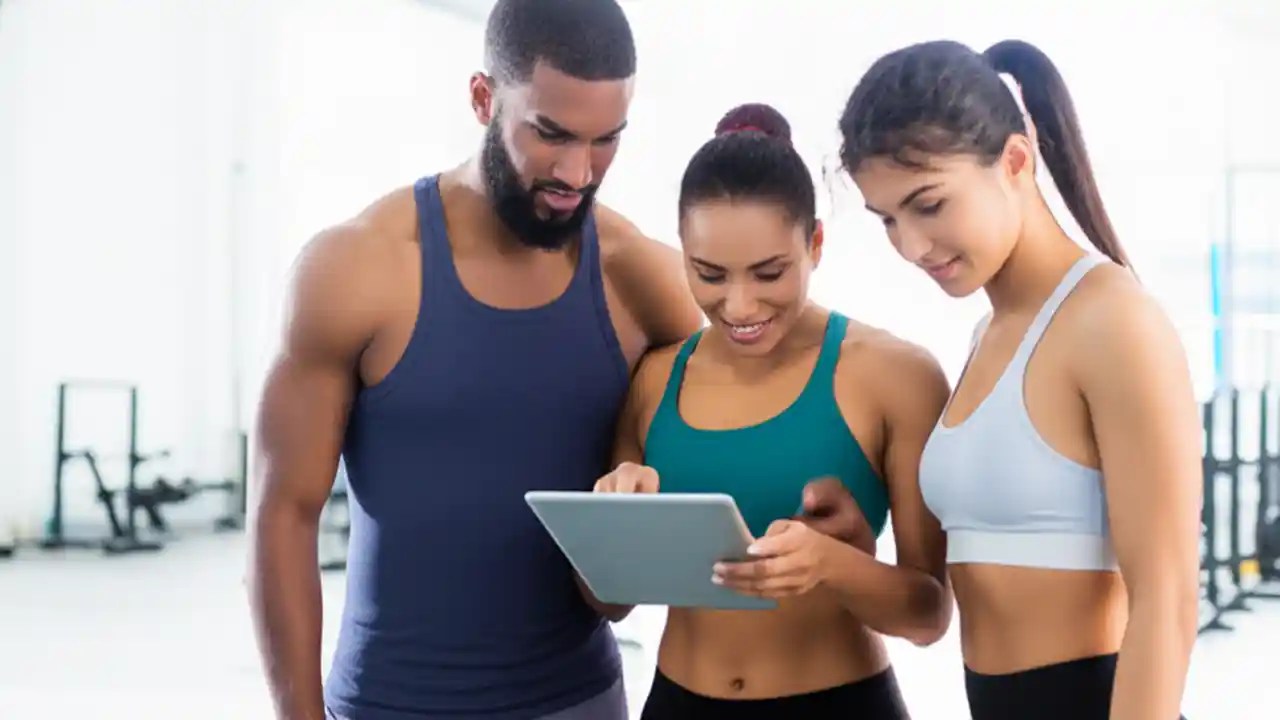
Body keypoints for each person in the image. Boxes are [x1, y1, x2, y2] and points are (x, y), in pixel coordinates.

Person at [245, 1, 709, 719]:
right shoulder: (358, 268)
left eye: (605, 141)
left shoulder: (638, 275)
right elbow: (283, 514)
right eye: (550, 134)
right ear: (483, 97)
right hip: (390, 704)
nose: (577, 173)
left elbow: (756, 391)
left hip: (580, 701)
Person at [837, 39, 1201, 720]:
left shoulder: (1112, 321)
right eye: (888, 219)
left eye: (928, 204)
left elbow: (1169, 599)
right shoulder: (989, 334)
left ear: (1014, 160)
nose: (911, 246)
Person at [591, 103, 954, 719]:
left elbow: (928, 616)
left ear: (814, 242)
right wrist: (610, 523)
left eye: (769, 273)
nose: (739, 305)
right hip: (679, 703)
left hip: (840, 704)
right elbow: (611, 603)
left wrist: (834, 566)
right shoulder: (654, 379)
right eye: (708, 274)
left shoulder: (897, 376)